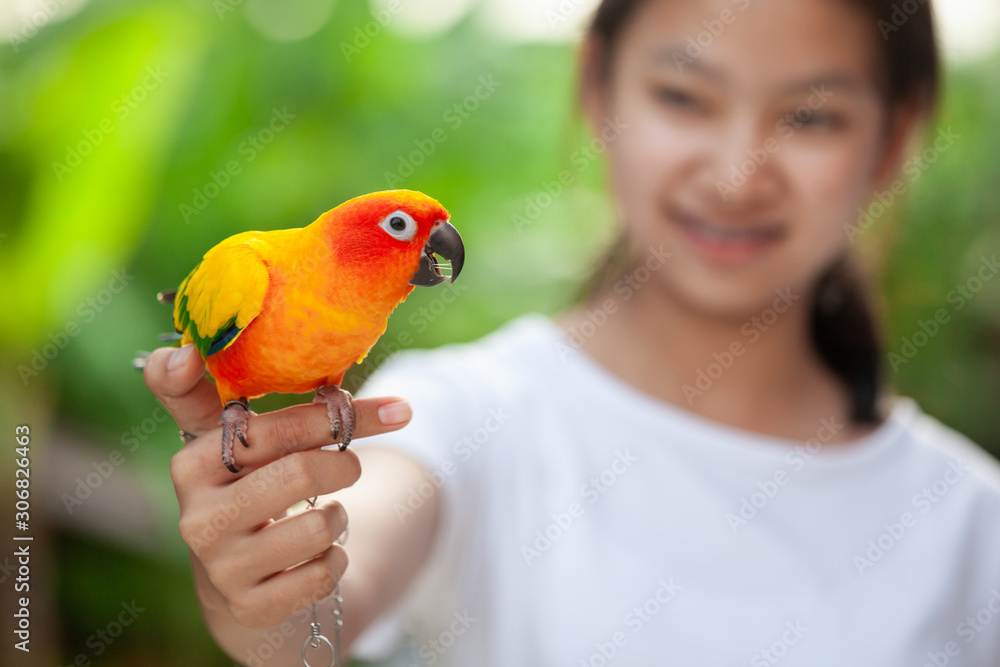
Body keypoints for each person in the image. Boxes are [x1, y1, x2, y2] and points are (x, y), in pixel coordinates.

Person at [143, 0, 1000, 663]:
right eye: (683, 96)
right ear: (597, 90)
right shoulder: (465, 412)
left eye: (810, 117)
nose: (739, 175)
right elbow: (339, 576)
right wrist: (266, 586)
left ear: (895, 138)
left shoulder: (974, 524)